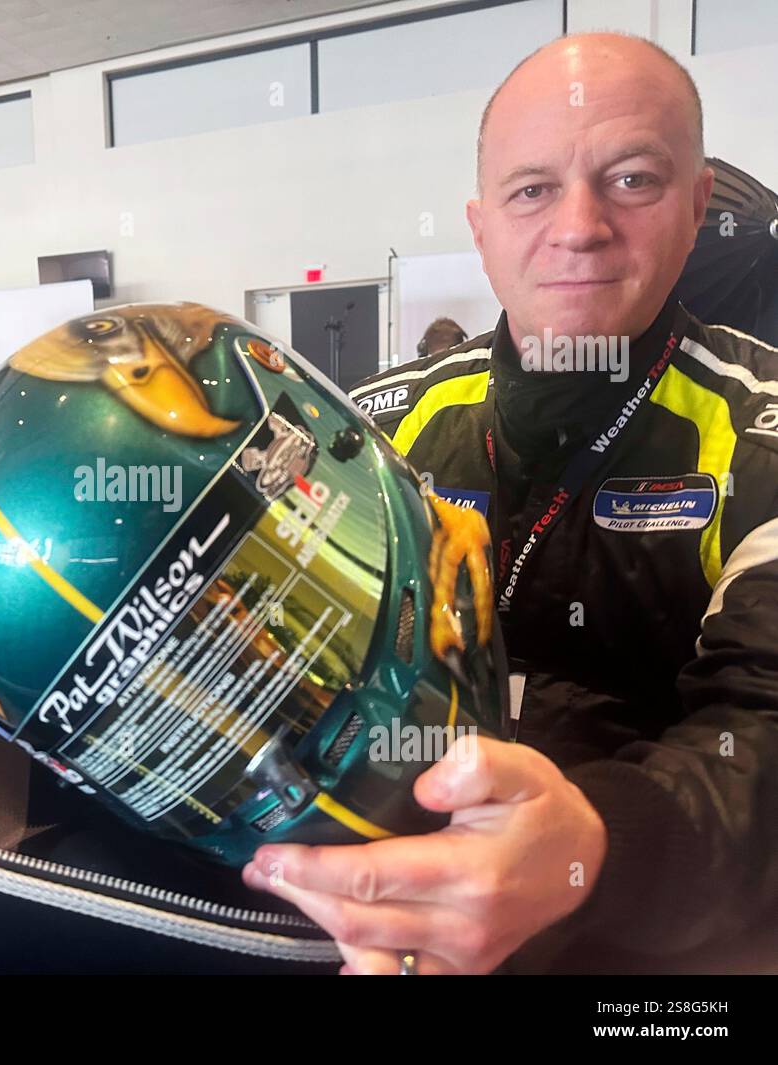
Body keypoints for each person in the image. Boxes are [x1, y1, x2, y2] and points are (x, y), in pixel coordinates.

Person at [242, 32, 778, 974]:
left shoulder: (762, 428)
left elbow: (767, 726)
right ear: (482, 225)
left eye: (632, 180)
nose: (579, 226)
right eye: (533, 189)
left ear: (698, 210)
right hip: (358, 915)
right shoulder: (374, 424)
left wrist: (598, 848)